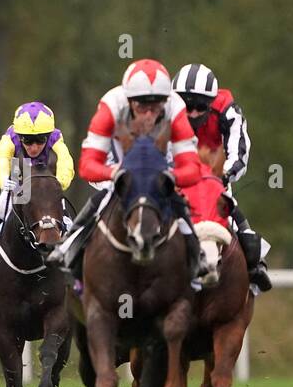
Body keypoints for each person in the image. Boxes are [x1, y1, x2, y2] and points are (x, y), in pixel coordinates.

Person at [46, 59, 207, 285]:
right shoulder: (111, 106)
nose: (149, 115)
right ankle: (69, 246)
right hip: (119, 164)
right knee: (105, 198)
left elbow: (193, 169)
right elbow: (87, 166)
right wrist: (113, 173)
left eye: (156, 106)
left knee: (175, 200)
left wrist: (172, 177)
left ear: (166, 101)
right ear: (129, 101)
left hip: (159, 167)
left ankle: (197, 256)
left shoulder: (176, 108)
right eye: (142, 107)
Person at [172, 62, 271, 293]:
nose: (193, 112)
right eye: (187, 104)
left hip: (215, 179)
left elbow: (240, 151)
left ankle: (255, 264)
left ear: (211, 103)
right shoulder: (166, 111)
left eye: (200, 106)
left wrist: (225, 175)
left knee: (231, 210)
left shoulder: (228, 111)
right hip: (179, 178)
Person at [0, 101, 74, 246]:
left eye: (40, 140)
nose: (34, 147)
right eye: (28, 140)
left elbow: (65, 160)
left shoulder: (55, 137)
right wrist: (3, 179)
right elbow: (0, 158)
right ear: (19, 136)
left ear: (48, 135)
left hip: (46, 185)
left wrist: (60, 181)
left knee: (68, 221)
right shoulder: (10, 137)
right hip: (18, 183)